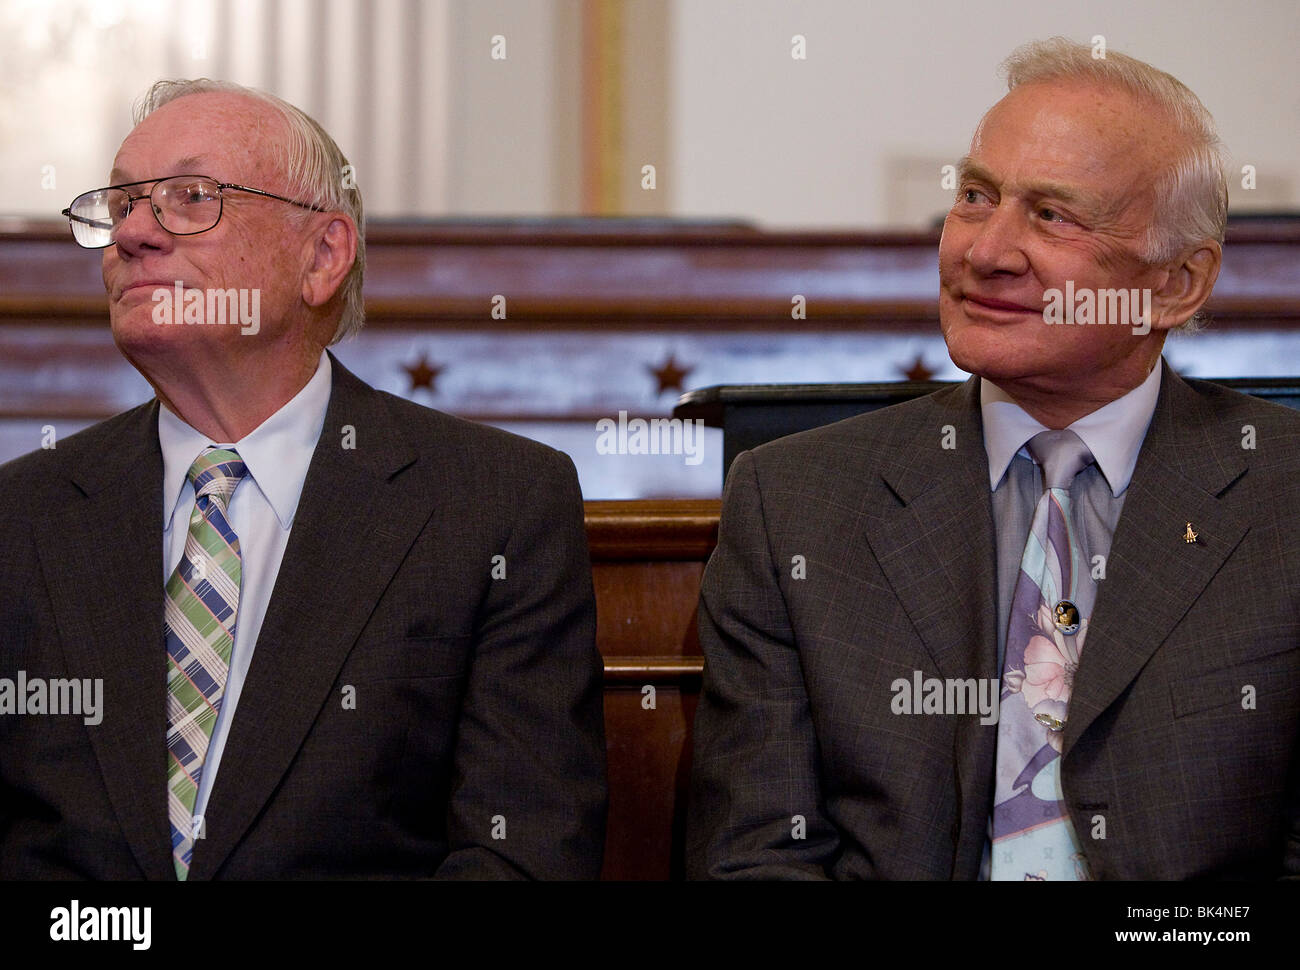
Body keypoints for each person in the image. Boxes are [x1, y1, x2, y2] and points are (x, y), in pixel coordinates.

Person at [687, 38, 1300, 880]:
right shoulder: (793, 503)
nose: (985, 250)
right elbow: (757, 855)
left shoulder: (1283, 496)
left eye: (1052, 215)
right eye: (976, 197)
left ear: (1177, 283)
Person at [0, 78, 606, 879]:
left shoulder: (495, 504)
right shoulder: (21, 516)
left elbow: (520, 853)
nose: (133, 235)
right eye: (120, 206)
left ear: (322, 256)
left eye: (188, 198)